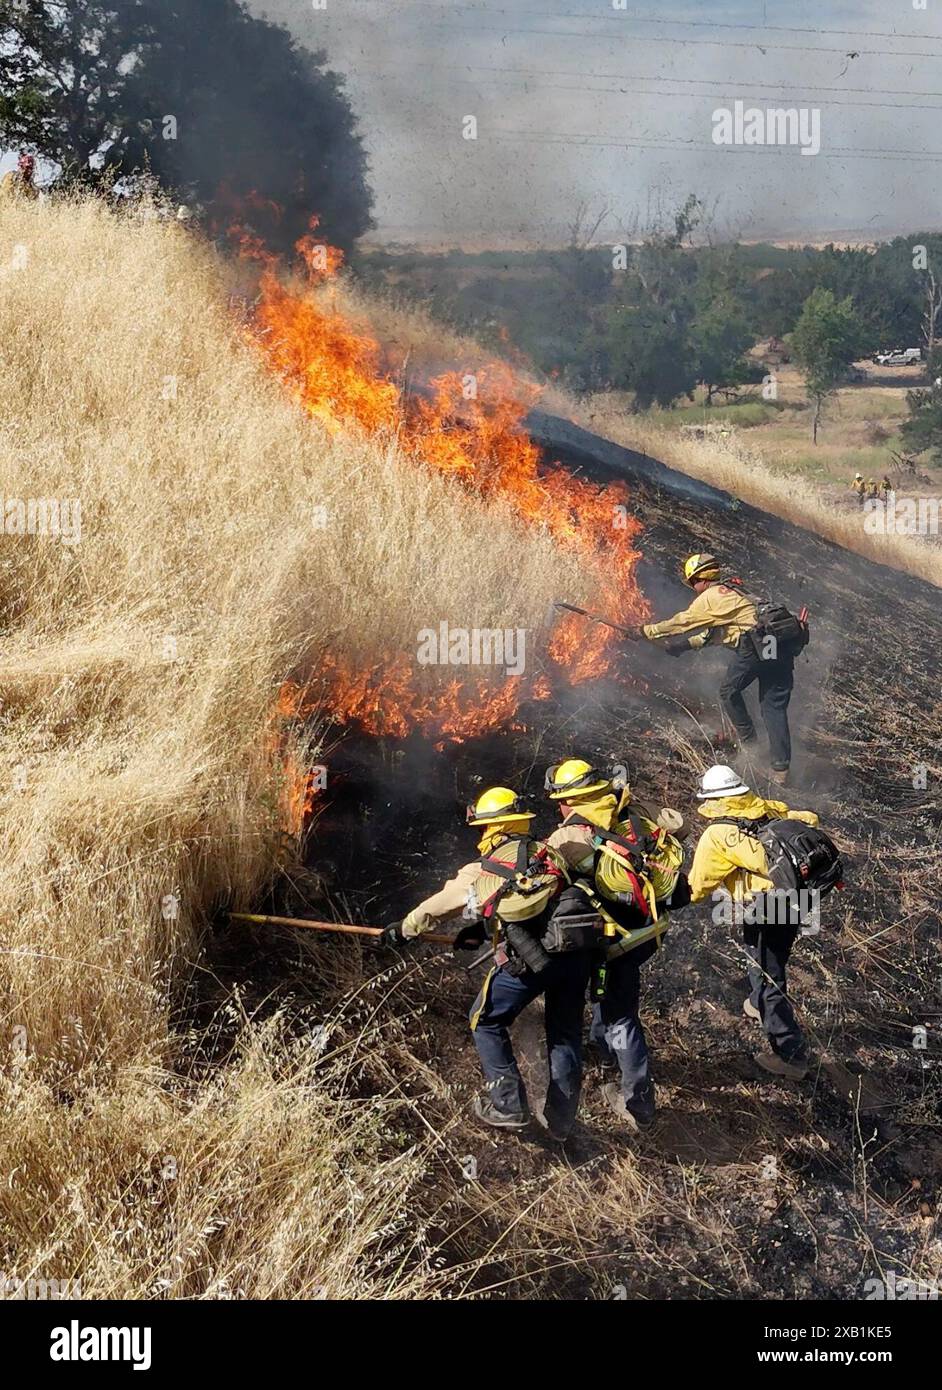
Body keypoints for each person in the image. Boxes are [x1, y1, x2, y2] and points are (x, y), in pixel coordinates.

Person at [385, 786, 600, 1140]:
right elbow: (534, 906)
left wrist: (403, 931)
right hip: (576, 956)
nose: (483, 836)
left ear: (497, 828)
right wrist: (483, 930)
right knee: (564, 1035)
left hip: (532, 959)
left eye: (485, 828)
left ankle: (508, 1106)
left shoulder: (485, 868)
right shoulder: (550, 852)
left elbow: (438, 906)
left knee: (484, 1019)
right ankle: (561, 1123)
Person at [543, 758, 689, 1130]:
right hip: (650, 928)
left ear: (572, 799)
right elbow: (681, 829)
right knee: (608, 995)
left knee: (620, 1015)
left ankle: (639, 1105)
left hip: (613, 939)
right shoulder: (635, 808)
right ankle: (602, 1048)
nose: (558, 808)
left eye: (559, 799)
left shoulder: (568, 836)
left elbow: (545, 886)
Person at [687, 764, 820, 1080]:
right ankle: (758, 1002)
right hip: (796, 899)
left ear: (712, 799)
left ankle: (791, 1055)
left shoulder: (717, 834)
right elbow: (808, 820)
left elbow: (696, 887)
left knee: (768, 975)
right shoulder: (763, 807)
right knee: (767, 958)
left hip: (765, 907)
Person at [630, 553, 804, 784]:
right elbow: (713, 634)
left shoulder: (711, 596)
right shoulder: (734, 592)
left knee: (728, 692)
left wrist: (646, 631)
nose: (694, 588)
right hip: (778, 648)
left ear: (701, 579)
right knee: (773, 709)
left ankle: (750, 746)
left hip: (755, 646)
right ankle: (781, 770)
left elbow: (684, 622)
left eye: (693, 582)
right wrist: (681, 647)